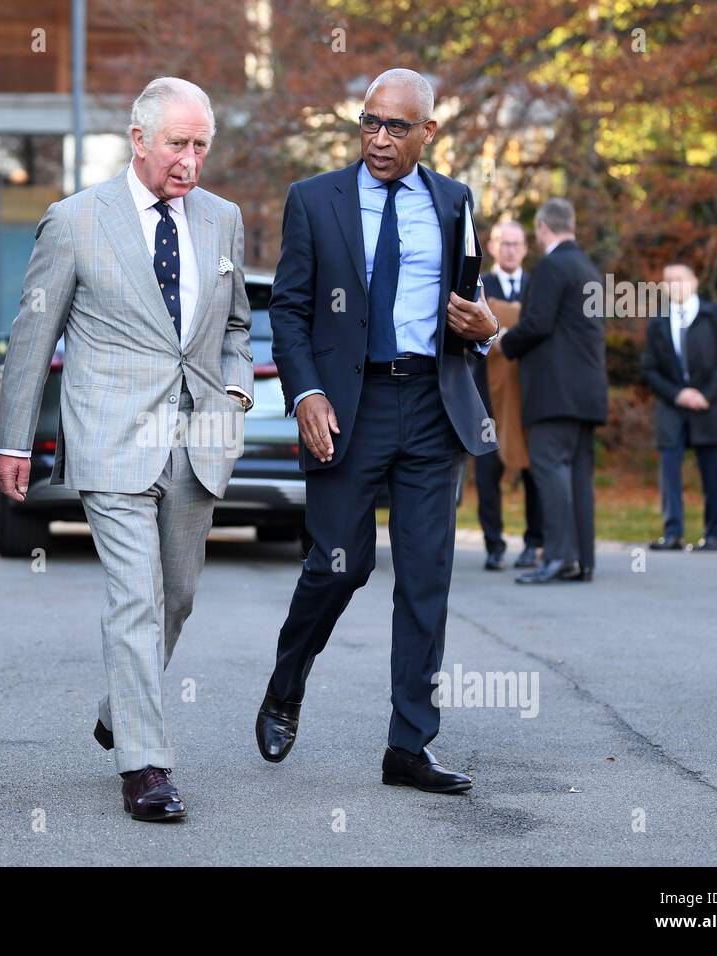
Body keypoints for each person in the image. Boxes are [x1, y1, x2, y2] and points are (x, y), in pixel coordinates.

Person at [0, 77, 253, 822]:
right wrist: (14, 440)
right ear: (138, 140)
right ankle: (147, 766)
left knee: (178, 596)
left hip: (200, 437)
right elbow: (32, 337)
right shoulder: (75, 221)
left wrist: (235, 397)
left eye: (202, 144)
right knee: (134, 598)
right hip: (112, 436)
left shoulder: (222, 220)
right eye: (179, 143)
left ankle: (121, 707)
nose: (191, 160)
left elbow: (235, 328)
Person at [256, 68, 500, 794]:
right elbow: (290, 312)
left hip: (432, 404)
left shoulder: (454, 201)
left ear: (430, 132)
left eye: (398, 126)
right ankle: (287, 682)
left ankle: (408, 747)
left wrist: (486, 331)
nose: (381, 139)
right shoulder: (314, 200)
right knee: (340, 565)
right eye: (370, 123)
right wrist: (304, 391)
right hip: (347, 408)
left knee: (426, 576)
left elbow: (469, 302)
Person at [498, 198, 607, 584]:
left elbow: (537, 324)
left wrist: (503, 341)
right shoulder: (589, 269)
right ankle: (581, 559)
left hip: (554, 393)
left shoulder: (551, 266)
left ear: (543, 229)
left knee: (550, 468)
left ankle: (559, 556)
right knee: (578, 475)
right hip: (587, 392)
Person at [641, 263, 717, 551]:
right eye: (668, 281)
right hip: (672, 405)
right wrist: (679, 394)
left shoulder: (716, 316)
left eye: (680, 279)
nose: (675, 285)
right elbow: (649, 369)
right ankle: (672, 533)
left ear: (694, 282)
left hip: (710, 404)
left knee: (711, 469)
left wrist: (705, 395)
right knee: (669, 466)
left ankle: (715, 533)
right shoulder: (657, 322)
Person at [475, 221, 542, 571]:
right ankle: (494, 544)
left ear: (526, 248)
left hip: (530, 393)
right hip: (487, 393)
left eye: (517, 244)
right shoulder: (480, 285)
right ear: (494, 246)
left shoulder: (538, 287)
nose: (511, 250)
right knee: (488, 470)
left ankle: (534, 542)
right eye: (504, 243)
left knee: (534, 470)